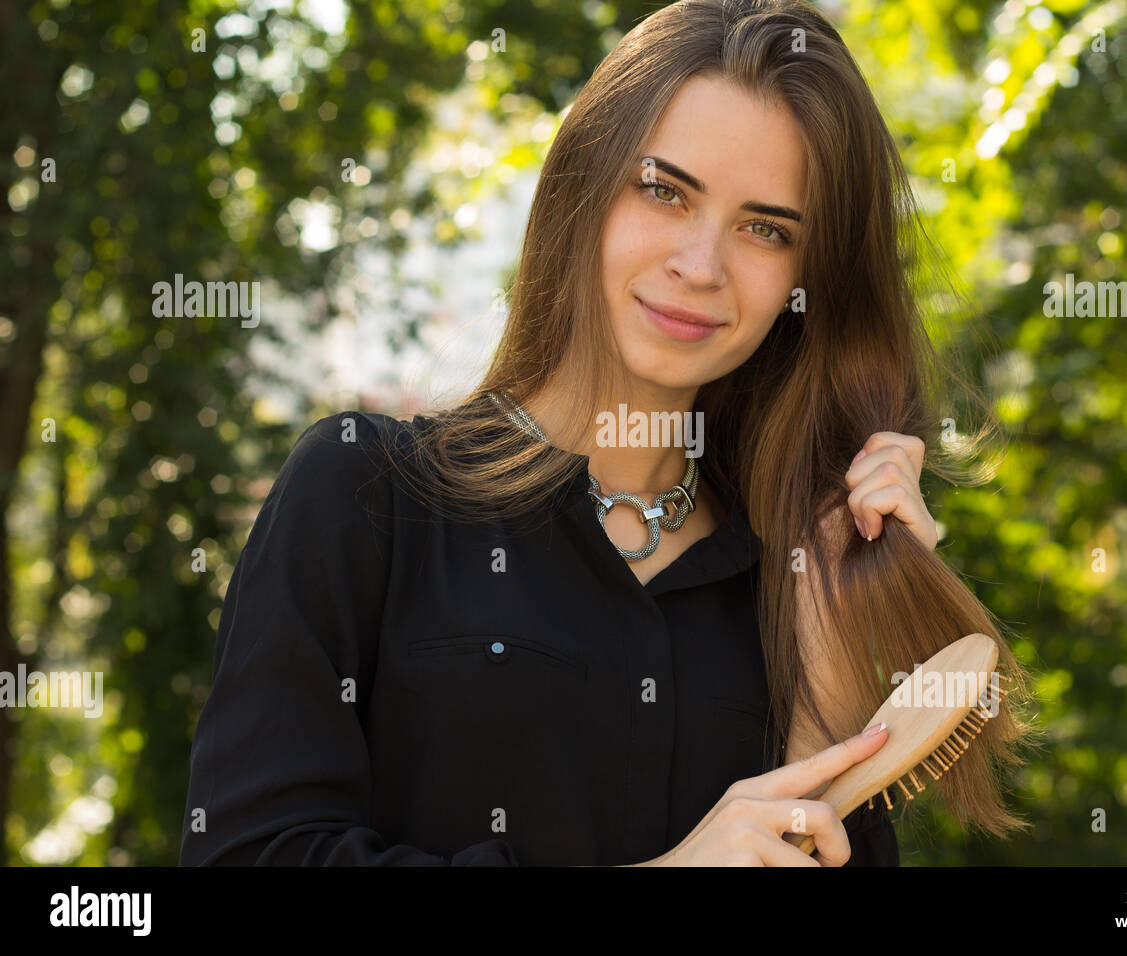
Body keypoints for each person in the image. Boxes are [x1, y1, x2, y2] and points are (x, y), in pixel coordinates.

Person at [181, 0, 1033, 867]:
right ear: (583, 184)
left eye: (765, 229)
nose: (700, 266)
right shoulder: (361, 495)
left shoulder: (790, 578)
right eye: (664, 190)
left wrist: (835, 683)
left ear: (805, 281)